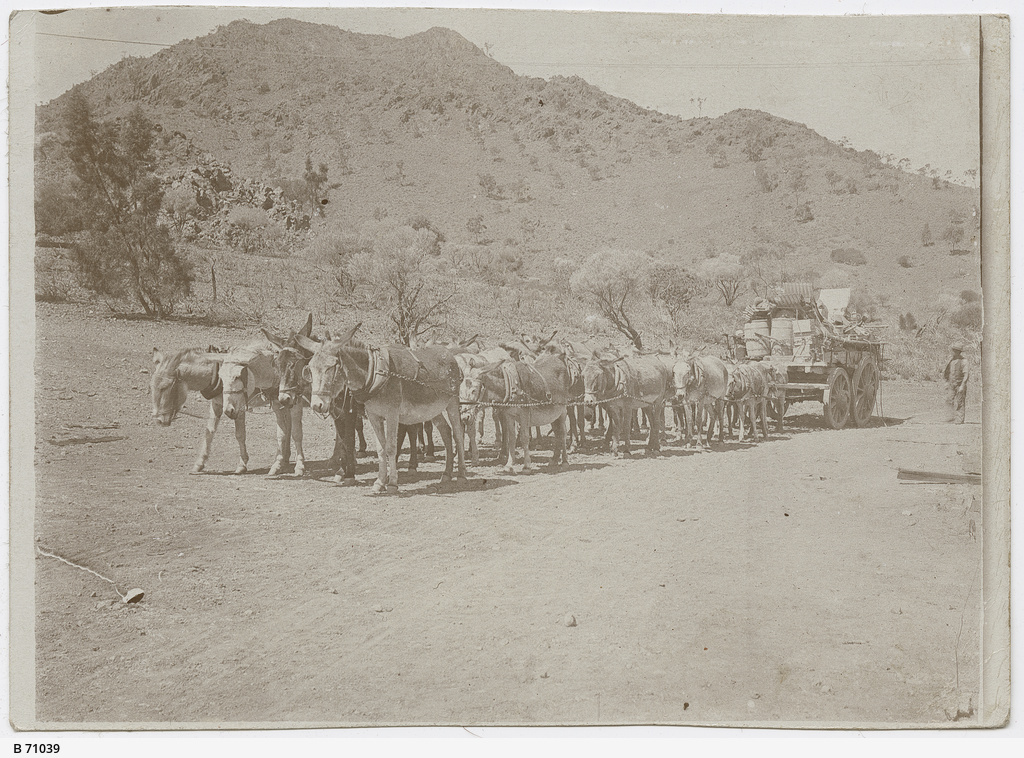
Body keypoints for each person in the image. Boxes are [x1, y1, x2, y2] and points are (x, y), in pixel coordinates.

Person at [943, 343, 969, 424]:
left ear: (958, 352)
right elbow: (947, 372)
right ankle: (951, 417)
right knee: (949, 400)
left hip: (959, 384)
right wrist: (947, 382)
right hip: (952, 384)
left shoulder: (964, 361)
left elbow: (966, 374)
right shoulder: (951, 360)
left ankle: (959, 419)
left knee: (960, 402)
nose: (952, 352)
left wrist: (962, 385)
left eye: (954, 350)